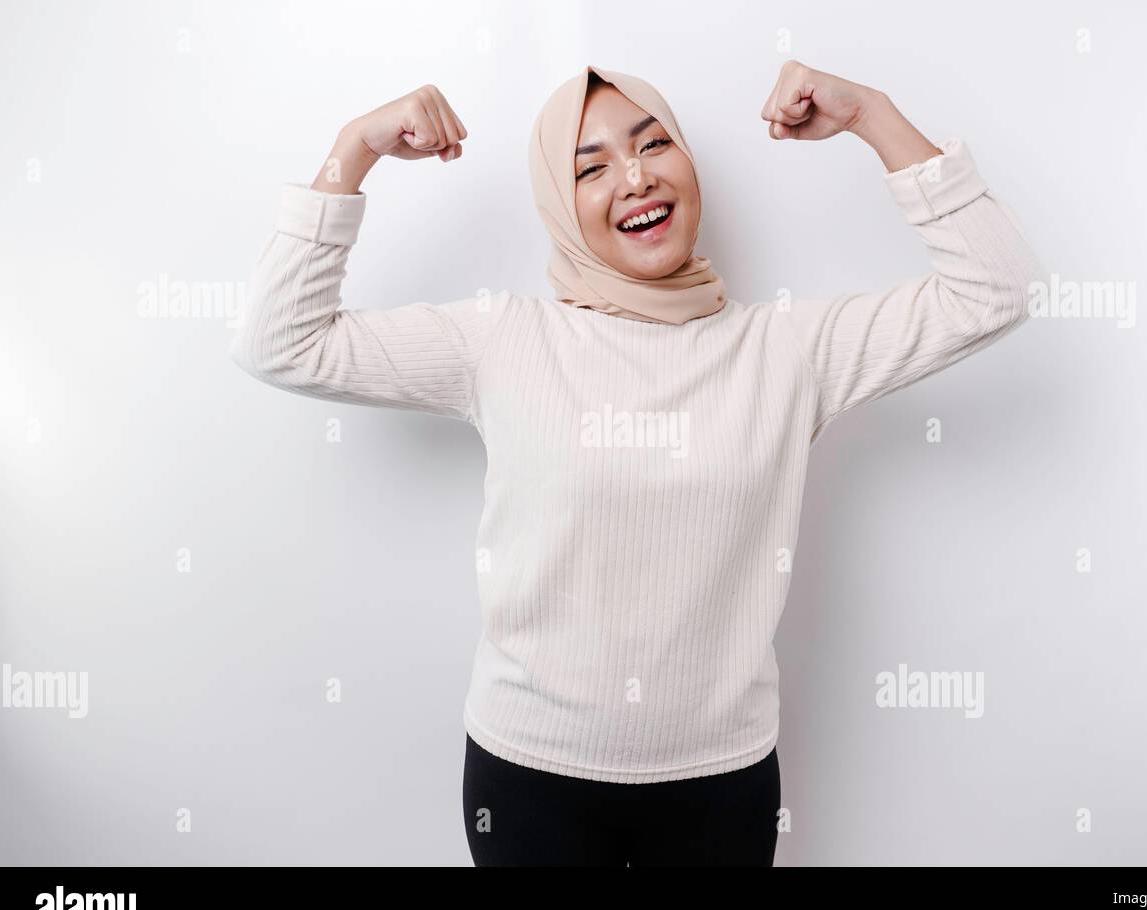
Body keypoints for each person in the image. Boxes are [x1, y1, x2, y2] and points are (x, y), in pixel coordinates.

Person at [229, 61, 1045, 866]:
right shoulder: (502, 342)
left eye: (654, 145)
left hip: (721, 784)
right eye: (591, 167)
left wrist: (872, 112)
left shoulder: (789, 350)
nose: (635, 178)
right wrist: (354, 148)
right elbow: (280, 341)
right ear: (559, 202)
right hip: (528, 778)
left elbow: (996, 288)